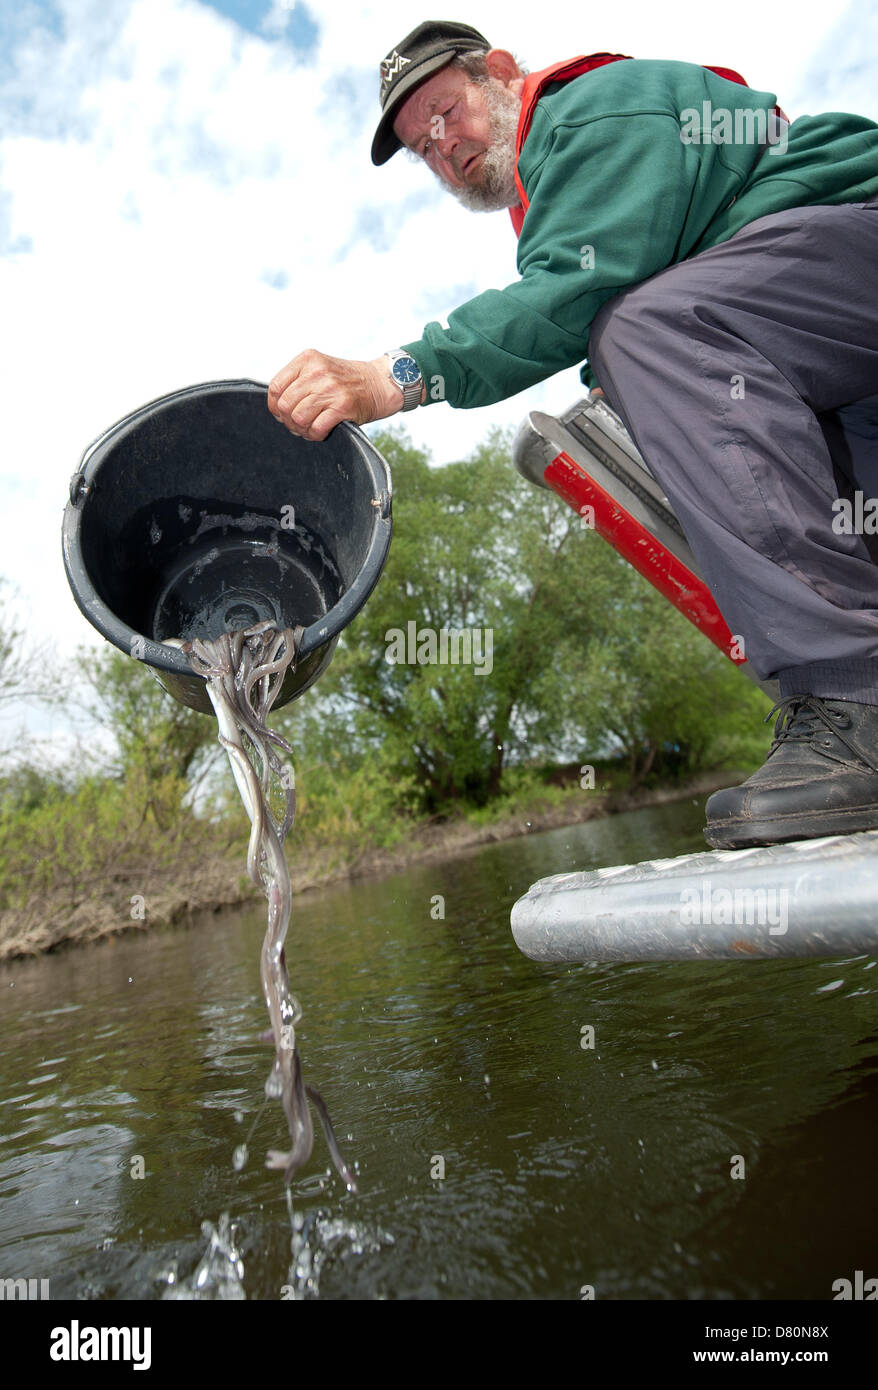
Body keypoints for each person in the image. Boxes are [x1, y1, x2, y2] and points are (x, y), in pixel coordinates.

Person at [267, 20, 878, 851]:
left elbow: (577, 292)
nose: (444, 149)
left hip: (852, 240)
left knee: (640, 334)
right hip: (837, 361)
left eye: (445, 113)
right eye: (424, 149)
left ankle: (852, 699)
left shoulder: (589, 109)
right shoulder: (561, 187)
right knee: (636, 383)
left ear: (502, 73)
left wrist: (392, 376)